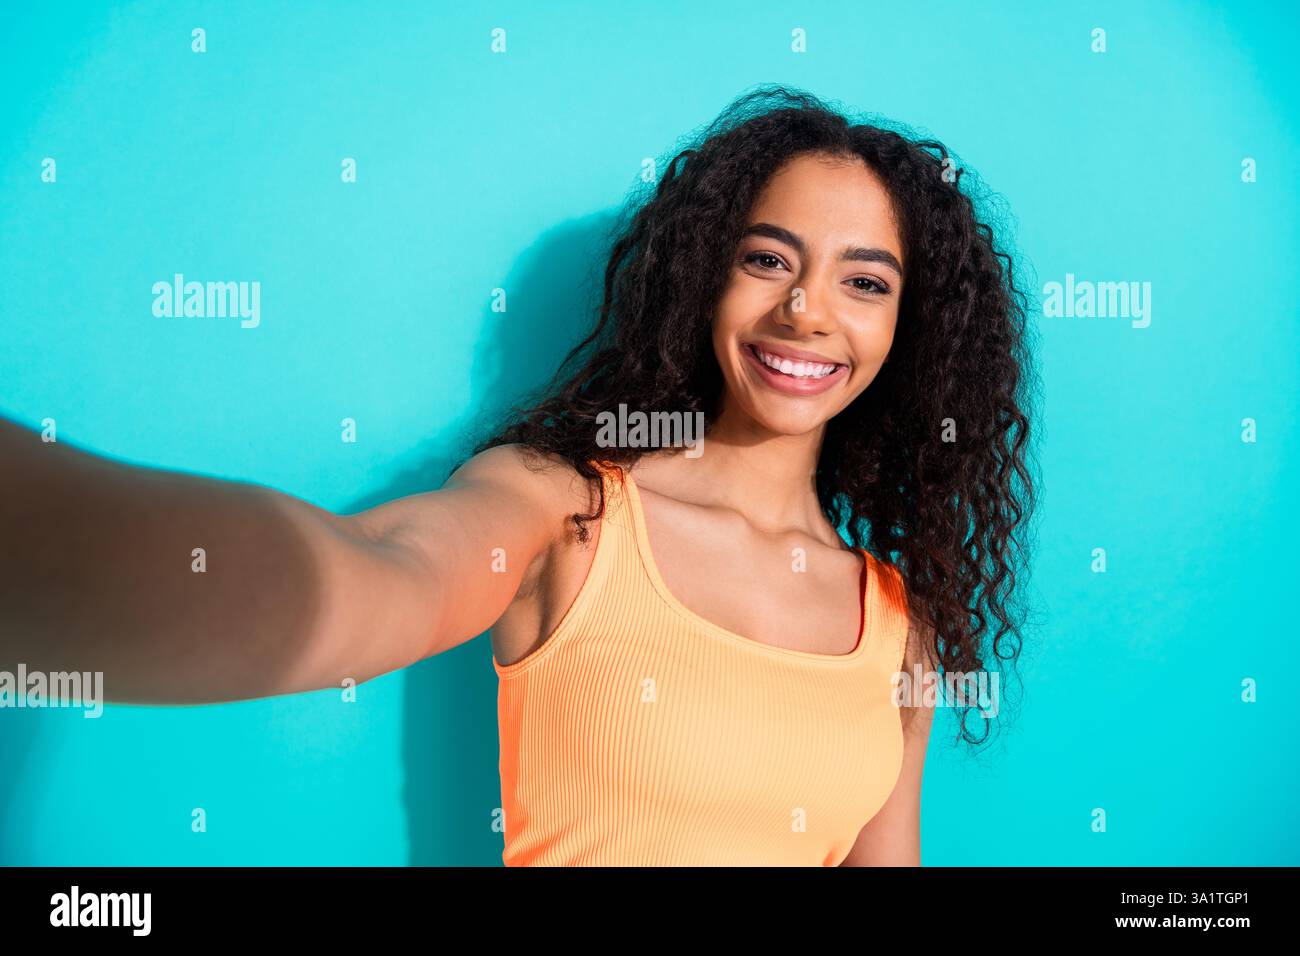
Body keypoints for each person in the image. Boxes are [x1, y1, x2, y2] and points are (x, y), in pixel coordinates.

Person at [0, 85, 1037, 866]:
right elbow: (378, 571)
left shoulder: (901, 620)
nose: (807, 310)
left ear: (909, 330)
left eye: (863, 281)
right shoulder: (566, 507)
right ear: (704, 280)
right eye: (768, 259)